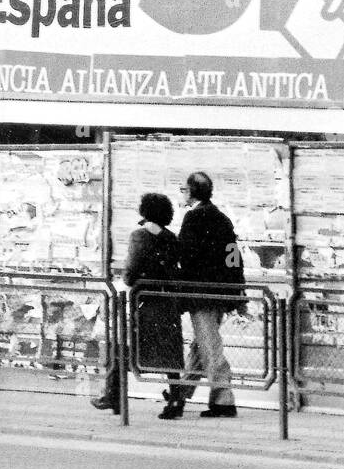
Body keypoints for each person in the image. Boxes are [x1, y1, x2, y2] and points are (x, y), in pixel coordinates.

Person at [91, 193, 185, 420]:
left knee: (123, 346)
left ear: (144, 211)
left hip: (143, 305)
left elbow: (130, 275)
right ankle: (176, 399)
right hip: (167, 305)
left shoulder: (139, 236)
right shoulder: (172, 238)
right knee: (169, 355)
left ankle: (114, 396)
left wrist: (131, 277)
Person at [172, 171, 243, 418]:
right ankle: (179, 395)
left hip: (201, 294)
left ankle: (224, 401)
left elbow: (185, 257)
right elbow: (234, 253)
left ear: (192, 192)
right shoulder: (222, 218)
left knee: (210, 348)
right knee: (201, 347)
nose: (182, 193)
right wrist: (237, 287)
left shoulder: (193, 218)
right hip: (220, 294)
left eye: (184, 189)